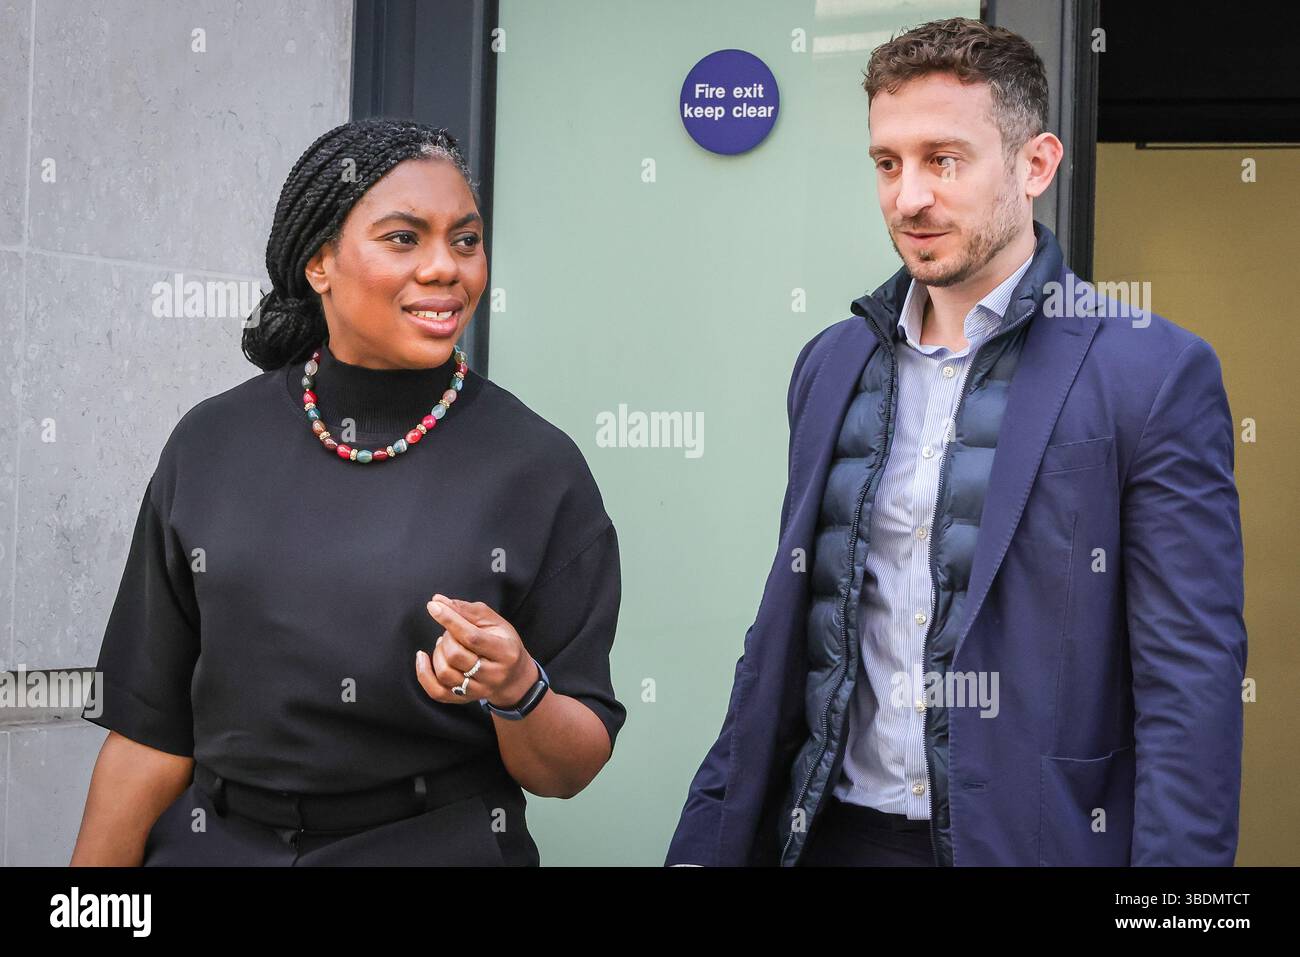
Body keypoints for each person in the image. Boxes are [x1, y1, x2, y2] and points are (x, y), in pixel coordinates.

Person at [666, 17, 1245, 867]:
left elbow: (1190, 686)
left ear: (1035, 164)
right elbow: (789, 629)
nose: (909, 197)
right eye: (887, 163)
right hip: (831, 837)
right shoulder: (832, 363)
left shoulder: (1152, 372)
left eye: (944, 160)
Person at [70, 118, 624, 866]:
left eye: (465, 240)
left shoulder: (537, 468)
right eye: (404, 238)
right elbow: (148, 731)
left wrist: (518, 688)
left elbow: (571, 766)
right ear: (319, 263)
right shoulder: (210, 444)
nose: (445, 268)